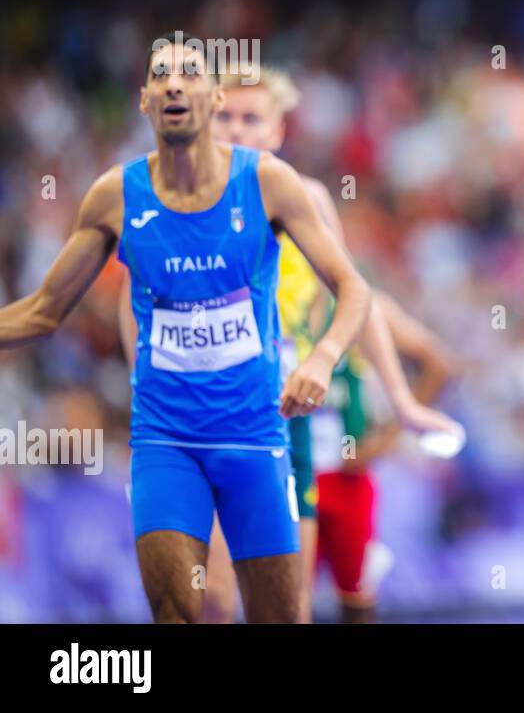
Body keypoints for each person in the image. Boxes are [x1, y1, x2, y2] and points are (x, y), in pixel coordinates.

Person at [0, 33, 372, 623]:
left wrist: (322, 357)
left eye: (190, 73)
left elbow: (353, 288)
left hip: (255, 438)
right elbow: (44, 310)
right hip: (166, 443)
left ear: (212, 97)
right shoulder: (114, 197)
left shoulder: (268, 182)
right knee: (179, 611)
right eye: (161, 75)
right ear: (145, 99)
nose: (175, 82)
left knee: (280, 615)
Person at [118, 64, 462, 623]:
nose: (237, 129)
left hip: (280, 420)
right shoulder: (171, 199)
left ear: (278, 132)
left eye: (253, 119)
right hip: (201, 418)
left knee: (287, 603)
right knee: (214, 598)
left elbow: (357, 297)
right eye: (225, 115)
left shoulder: (302, 198)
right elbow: (133, 306)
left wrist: (400, 401)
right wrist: (151, 395)